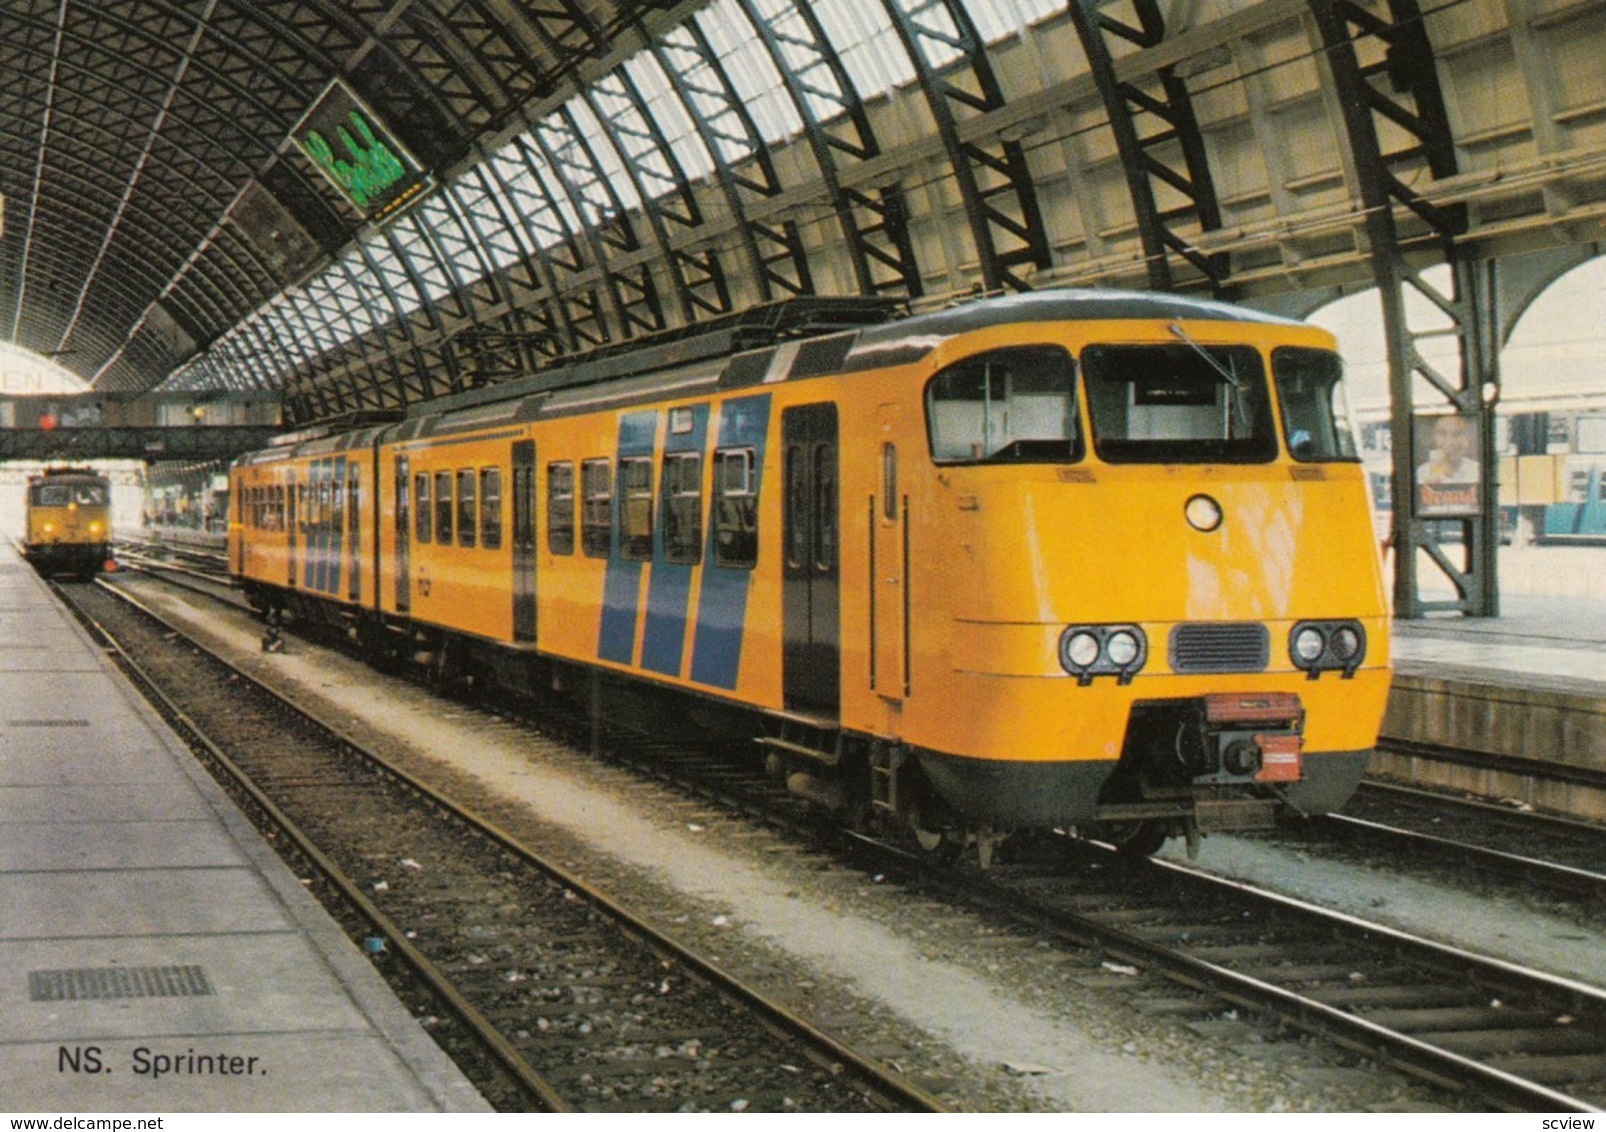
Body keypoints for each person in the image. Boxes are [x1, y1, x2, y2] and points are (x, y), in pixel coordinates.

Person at [1417, 414, 1479, 484]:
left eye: (1457, 434)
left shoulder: (1478, 471)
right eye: (1443, 434)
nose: (1449, 442)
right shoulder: (1421, 474)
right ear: (1434, 438)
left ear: (1468, 438)